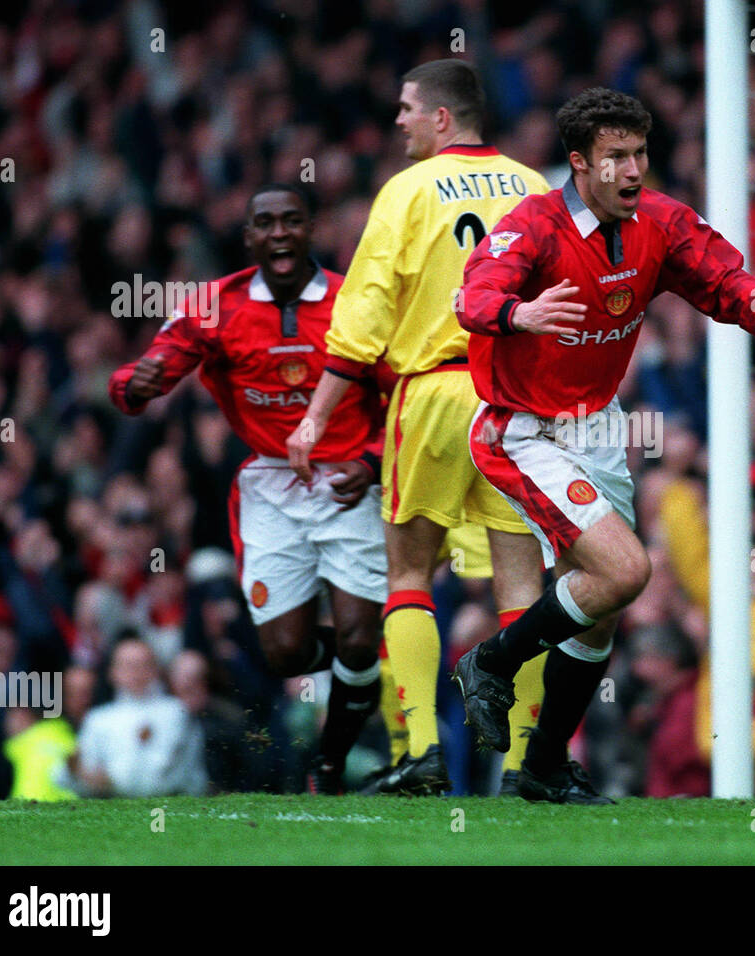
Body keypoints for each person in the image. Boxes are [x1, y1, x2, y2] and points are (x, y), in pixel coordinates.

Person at [453, 87, 755, 804]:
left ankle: (545, 764)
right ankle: (489, 664)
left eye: (639, 152)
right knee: (625, 571)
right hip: (523, 429)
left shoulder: (660, 221)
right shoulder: (534, 227)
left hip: (599, 430)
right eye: (615, 156)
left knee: (601, 606)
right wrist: (520, 313)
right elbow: (472, 296)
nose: (632, 168)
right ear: (579, 163)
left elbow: (720, 276)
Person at [286, 59, 549, 796]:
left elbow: (363, 315)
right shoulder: (534, 187)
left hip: (432, 393)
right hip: (513, 401)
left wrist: (315, 417)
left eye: (406, 108)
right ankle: (527, 762)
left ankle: (423, 754)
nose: (397, 120)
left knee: (408, 574)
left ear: (441, 117)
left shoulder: (407, 190)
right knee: (521, 588)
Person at [109, 183, 386, 795]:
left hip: (347, 480)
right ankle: (373, 658)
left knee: (359, 636)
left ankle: (332, 761)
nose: (280, 232)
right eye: (266, 223)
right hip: (270, 486)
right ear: (249, 238)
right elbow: (141, 378)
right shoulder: (216, 304)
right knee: (285, 654)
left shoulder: (355, 302)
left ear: (310, 229)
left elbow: (402, 395)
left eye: (292, 220)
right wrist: (137, 383)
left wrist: (371, 461)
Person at [58, 638, 208, 797]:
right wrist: (78, 773)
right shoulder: (98, 718)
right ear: (112, 672)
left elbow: (168, 775)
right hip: (113, 810)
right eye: (128, 665)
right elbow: (72, 777)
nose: (136, 672)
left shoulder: (175, 712)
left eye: (144, 664)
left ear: (155, 669)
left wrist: (110, 782)